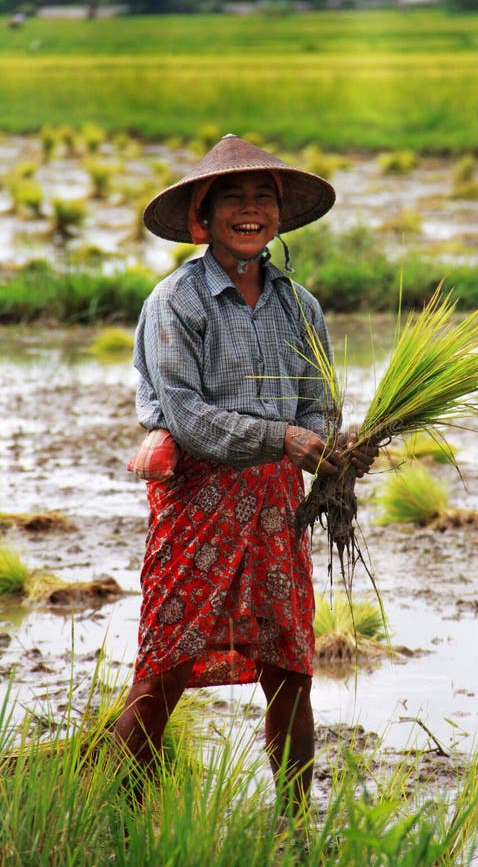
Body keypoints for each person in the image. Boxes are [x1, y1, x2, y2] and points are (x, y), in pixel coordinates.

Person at [113, 133, 375, 812]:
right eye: (234, 198)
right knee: (165, 662)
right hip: (197, 499)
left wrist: (329, 446)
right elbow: (188, 417)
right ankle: (112, 811)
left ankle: (294, 820)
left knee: (290, 664)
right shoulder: (178, 302)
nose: (251, 211)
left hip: (275, 504)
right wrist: (284, 437)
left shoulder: (300, 305)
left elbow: (320, 401)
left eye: (264, 198)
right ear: (204, 215)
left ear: (280, 215)